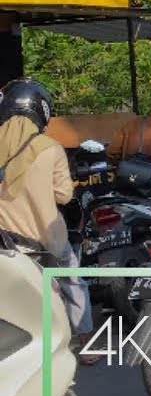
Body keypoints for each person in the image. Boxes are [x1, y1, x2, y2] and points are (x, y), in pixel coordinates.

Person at [0, 78, 98, 364]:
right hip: (45, 241)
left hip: (6, 244)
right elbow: (65, 195)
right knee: (73, 280)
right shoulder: (50, 148)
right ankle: (87, 342)